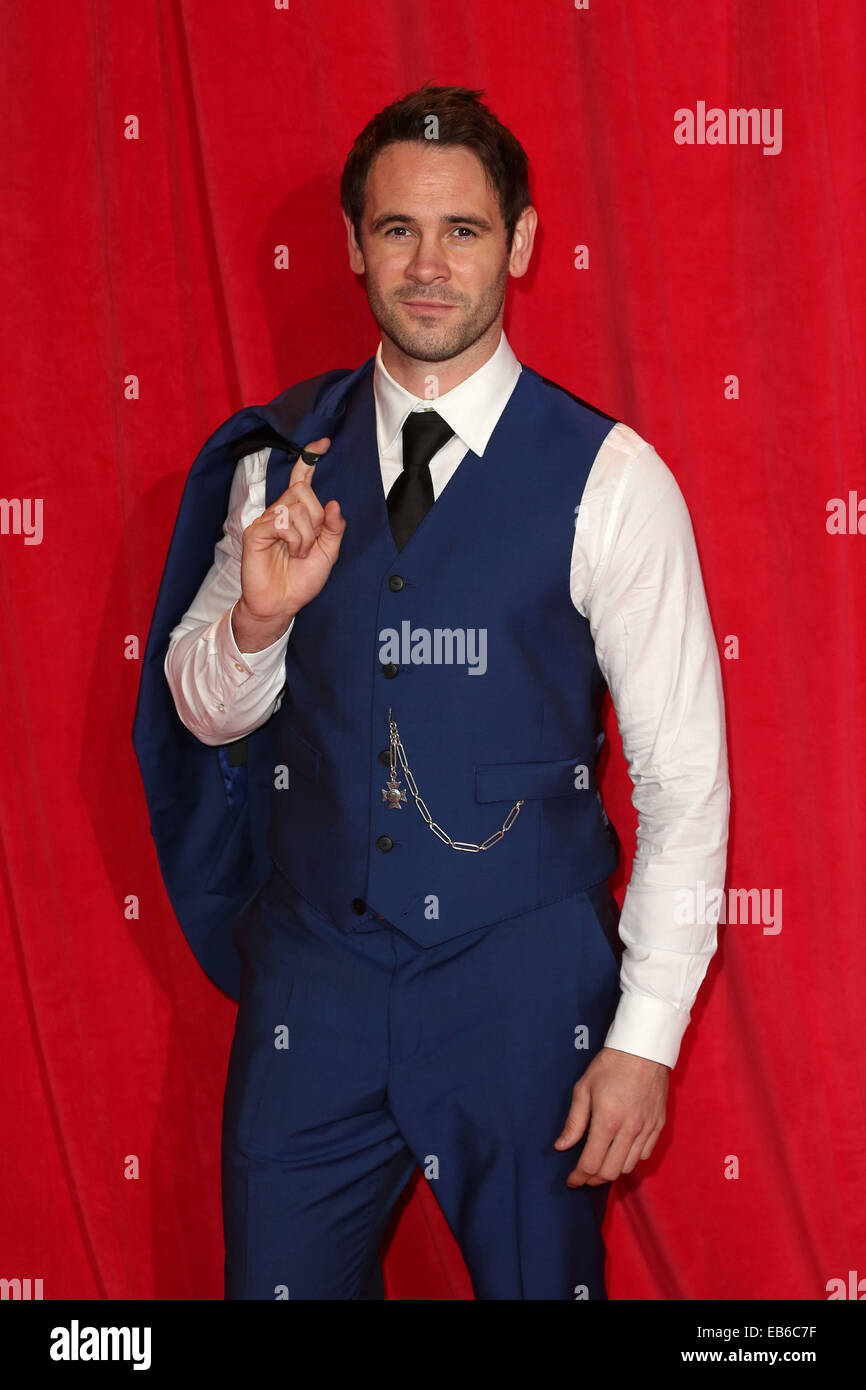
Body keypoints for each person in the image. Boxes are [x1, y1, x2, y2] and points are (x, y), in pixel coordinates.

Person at [133, 82, 729, 1301]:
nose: (427, 263)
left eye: (461, 229)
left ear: (517, 242)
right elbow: (202, 710)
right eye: (396, 228)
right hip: (316, 981)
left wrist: (643, 1035)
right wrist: (257, 617)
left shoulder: (612, 480)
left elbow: (683, 780)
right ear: (353, 244)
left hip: (525, 986)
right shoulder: (280, 463)